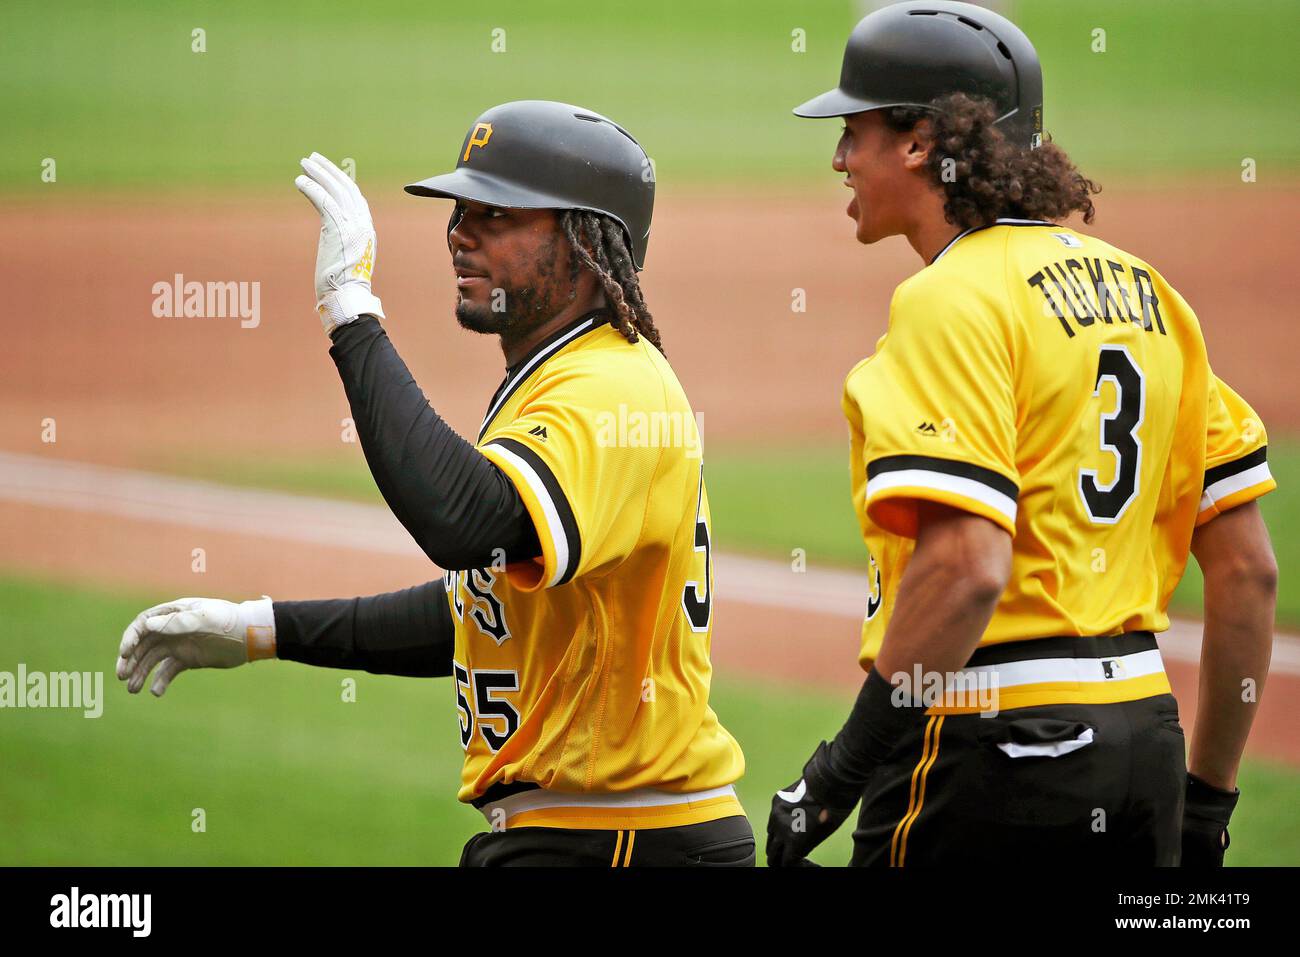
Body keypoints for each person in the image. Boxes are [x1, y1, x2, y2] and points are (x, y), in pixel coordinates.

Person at [115, 100, 752, 868]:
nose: (460, 234)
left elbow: (460, 519)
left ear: (586, 242)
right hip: (595, 833)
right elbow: (478, 611)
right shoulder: (557, 382)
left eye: (496, 215)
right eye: (459, 213)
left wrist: (350, 310)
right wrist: (261, 628)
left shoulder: (611, 390)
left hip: (625, 840)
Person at [766, 1, 1277, 867]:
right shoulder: (1151, 295)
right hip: (1143, 742)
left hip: (989, 750)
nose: (840, 158)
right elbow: (1248, 570)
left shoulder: (949, 296)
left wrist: (836, 775)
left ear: (921, 142)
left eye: (854, 132)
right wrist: (1207, 805)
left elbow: (967, 566)